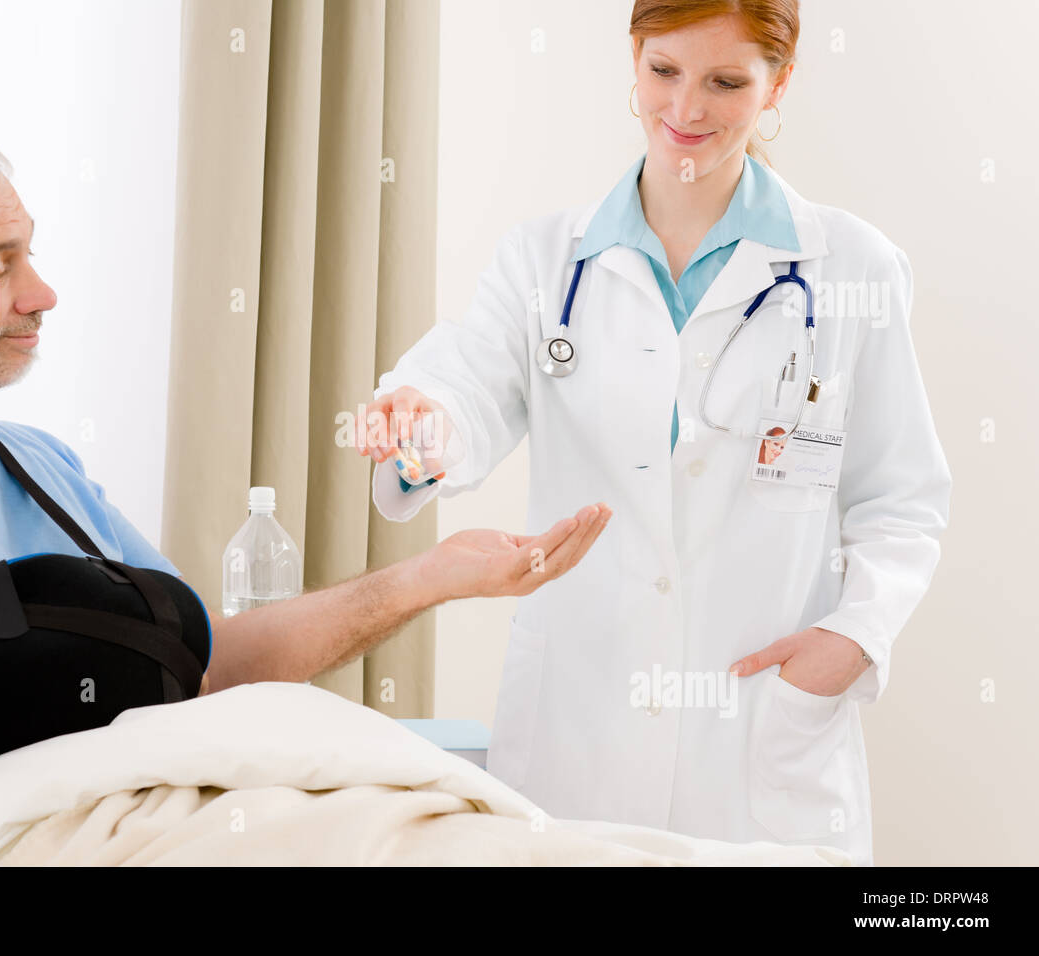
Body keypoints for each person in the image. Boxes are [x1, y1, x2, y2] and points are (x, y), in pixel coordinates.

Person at [0, 119, 610, 827]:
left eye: (29, 255)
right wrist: (99, 642)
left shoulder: (36, 461)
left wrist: (427, 579)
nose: (41, 293)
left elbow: (200, 659)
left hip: (144, 802)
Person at [356, 0, 951, 866]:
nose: (687, 110)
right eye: (664, 71)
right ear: (633, 60)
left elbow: (902, 501)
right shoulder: (546, 263)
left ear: (779, 83)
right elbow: (465, 389)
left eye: (725, 82)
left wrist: (850, 638)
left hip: (761, 745)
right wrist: (421, 423)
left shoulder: (853, 269)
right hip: (580, 730)